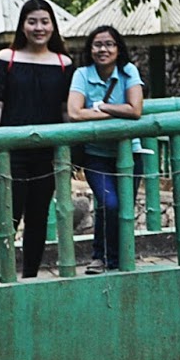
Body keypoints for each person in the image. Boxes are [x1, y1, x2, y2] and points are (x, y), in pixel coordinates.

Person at [0, 0, 75, 279]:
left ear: (53, 26)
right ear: (22, 25)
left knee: (38, 218)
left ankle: (30, 277)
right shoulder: (6, 59)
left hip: (47, 153)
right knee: (7, 217)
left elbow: (66, 111)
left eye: (44, 22)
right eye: (32, 21)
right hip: (11, 151)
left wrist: (69, 153)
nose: (39, 28)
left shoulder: (64, 63)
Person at [67, 25, 145, 274]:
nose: (103, 49)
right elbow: (74, 112)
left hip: (129, 153)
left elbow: (135, 109)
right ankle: (103, 257)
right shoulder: (82, 74)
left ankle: (113, 258)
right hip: (95, 155)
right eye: (98, 44)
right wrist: (115, 110)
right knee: (108, 203)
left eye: (109, 44)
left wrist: (100, 108)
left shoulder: (128, 71)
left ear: (118, 48)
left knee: (121, 208)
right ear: (90, 49)